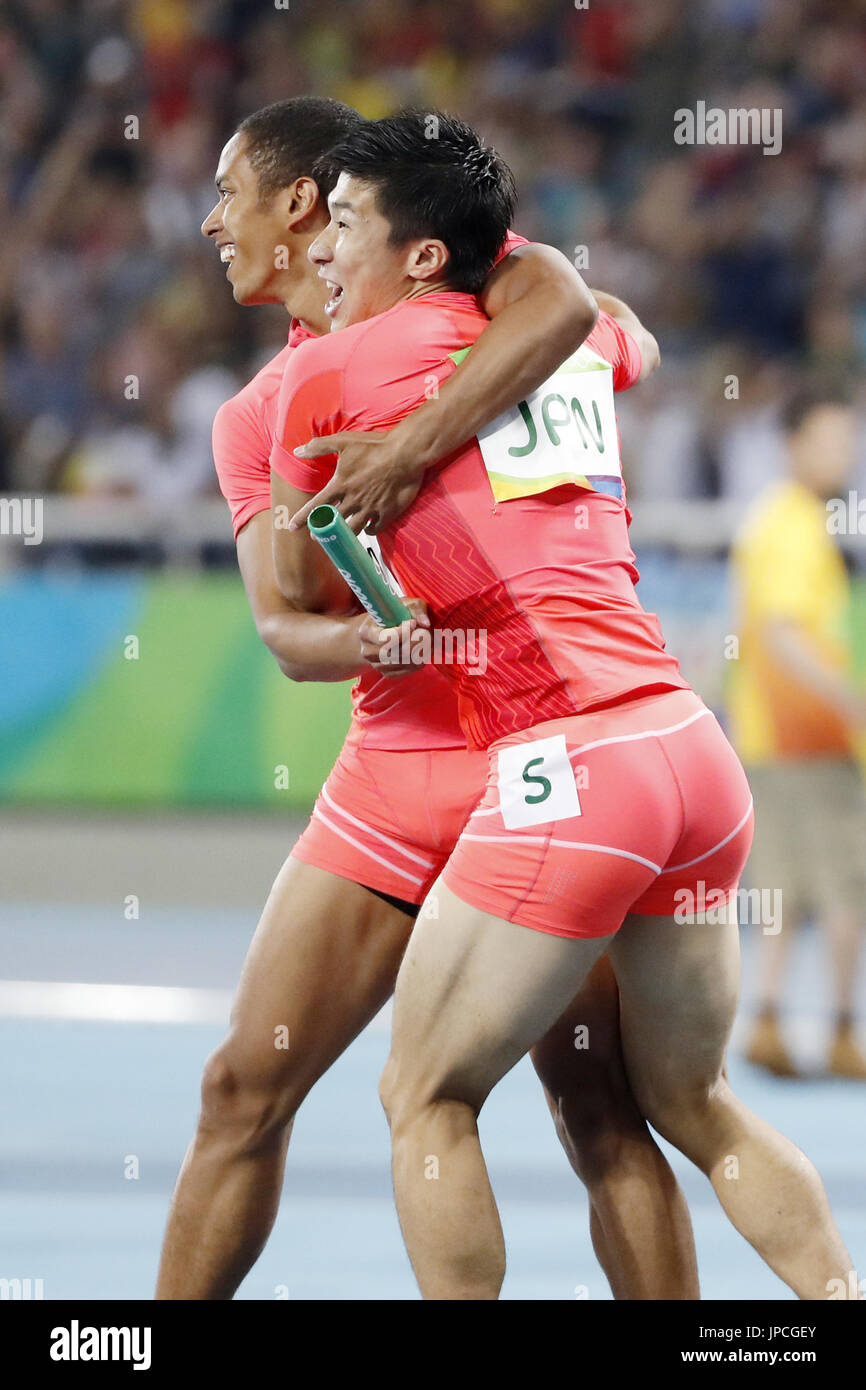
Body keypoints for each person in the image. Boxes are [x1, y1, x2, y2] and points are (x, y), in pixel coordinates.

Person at [270, 110, 855, 1301]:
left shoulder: (324, 372)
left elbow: (288, 588)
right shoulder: (563, 339)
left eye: (342, 224)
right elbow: (616, 325)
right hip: (685, 751)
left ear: (419, 251)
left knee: (423, 1092)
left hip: (567, 763)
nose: (322, 253)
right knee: (693, 1099)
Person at [156, 98, 699, 1300]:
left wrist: (402, 452)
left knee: (596, 1105)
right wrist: (370, 643)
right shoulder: (256, 415)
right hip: (398, 775)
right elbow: (285, 624)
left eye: (226, 192)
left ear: (302, 206)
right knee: (242, 1087)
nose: (207, 222)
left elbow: (586, 309)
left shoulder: (492, 288)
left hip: (542, 747)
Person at [729, 385, 866, 1079]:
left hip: (776, 738)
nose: (843, 453)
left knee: (784, 888)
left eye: (848, 439)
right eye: (830, 439)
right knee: (847, 887)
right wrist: (850, 701)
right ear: (791, 444)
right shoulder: (793, 526)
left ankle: (771, 1020)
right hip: (809, 738)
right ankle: (842, 1029)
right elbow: (782, 635)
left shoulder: (792, 520)